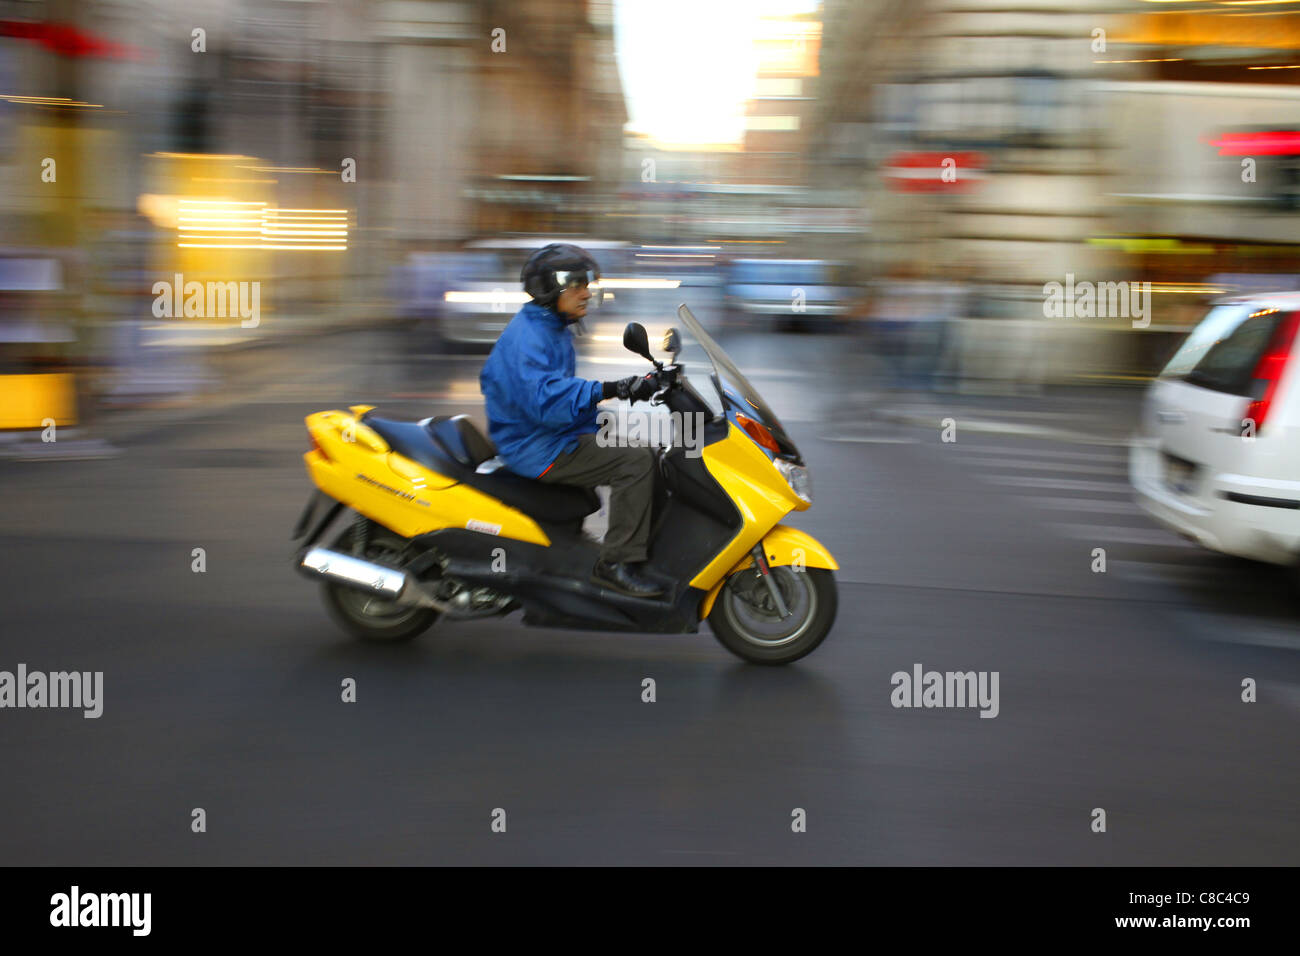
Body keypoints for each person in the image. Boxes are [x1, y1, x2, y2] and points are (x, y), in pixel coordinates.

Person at [479, 243, 664, 599]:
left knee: (641, 436)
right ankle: (617, 563)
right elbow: (545, 399)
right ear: (549, 289)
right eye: (575, 284)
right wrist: (611, 389)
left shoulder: (550, 325)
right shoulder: (530, 337)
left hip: (550, 431)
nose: (586, 292)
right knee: (635, 461)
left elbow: (558, 395)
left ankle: (636, 542)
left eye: (587, 282)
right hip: (536, 444)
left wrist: (632, 390)